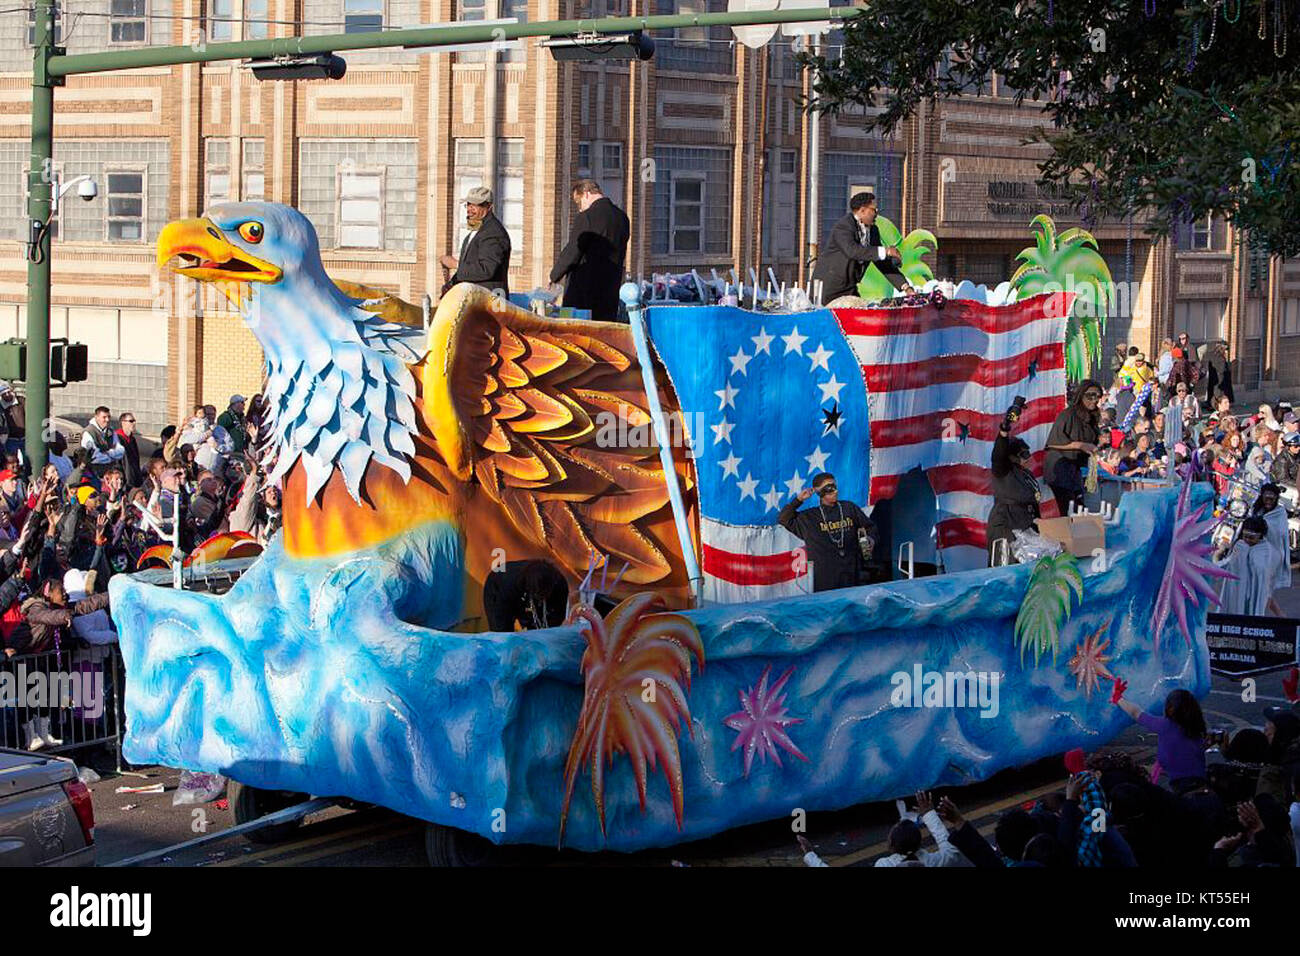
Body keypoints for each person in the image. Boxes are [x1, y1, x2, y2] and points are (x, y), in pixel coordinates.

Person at [777, 472, 880, 592]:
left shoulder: (849, 508)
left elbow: (870, 527)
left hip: (851, 577)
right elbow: (783, 518)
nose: (835, 491)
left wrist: (871, 539)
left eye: (835, 487)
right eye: (830, 488)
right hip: (825, 582)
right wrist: (799, 500)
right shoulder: (810, 517)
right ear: (819, 492)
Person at [549, 179, 630, 321]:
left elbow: (573, 251)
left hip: (584, 293)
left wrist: (554, 275)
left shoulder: (587, 217)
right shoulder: (622, 218)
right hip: (610, 290)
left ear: (586, 194)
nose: (580, 209)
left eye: (579, 203)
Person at [1112, 684, 1208, 795]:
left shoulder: (1164, 725)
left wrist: (1118, 699)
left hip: (1183, 787)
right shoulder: (1196, 728)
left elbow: (1136, 713)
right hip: (1202, 782)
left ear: (1170, 709)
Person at [810, 191, 904, 304]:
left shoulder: (873, 231)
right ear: (862, 210)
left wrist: (905, 286)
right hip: (829, 288)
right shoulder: (843, 226)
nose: (877, 213)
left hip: (850, 288)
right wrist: (887, 250)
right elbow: (853, 251)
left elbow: (881, 261)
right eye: (874, 209)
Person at [987, 404, 1040, 566]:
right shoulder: (1003, 470)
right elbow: (999, 454)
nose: (1028, 457)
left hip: (1025, 523)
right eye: (1024, 454)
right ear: (1013, 456)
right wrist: (1004, 431)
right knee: (1005, 566)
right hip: (1006, 524)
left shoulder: (1026, 474)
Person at [439, 186, 511, 300]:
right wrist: (451, 285)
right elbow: (469, 268)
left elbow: (486, 270)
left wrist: (455, 264)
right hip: (475, 301)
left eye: (476, 205)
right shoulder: (476, 231)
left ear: (489, 207)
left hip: (491, 303)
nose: (470, 209)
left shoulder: (493, 232)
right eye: (468, 204)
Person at [1043, 381, 1102, 514]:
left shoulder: (1092, 417)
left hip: (1074, 468)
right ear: (1081, 395)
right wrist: (1080, 445)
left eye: (1098, 396)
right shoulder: (1068, 414)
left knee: (1080, 506)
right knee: (1069, 507)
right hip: (1060, 467)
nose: (1095, 400)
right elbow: (1052, 442)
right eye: (1090, 396)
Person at [1217, 517, 1281, 616]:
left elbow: (1267, 573)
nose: (1247, 540)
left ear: (1260, 536)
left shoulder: (1266, 551)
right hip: (1237, 589)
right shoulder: (1240, 545)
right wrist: (1217, 558)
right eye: (1245, 536)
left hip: (1255, 589)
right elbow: (1230, 563)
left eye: (1251, 538)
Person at [1251, 483, 1291, 612]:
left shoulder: (1280, 513)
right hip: (1257, 554)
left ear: (1276, 498)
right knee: (1258, 588)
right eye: (1266, 498)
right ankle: (1281, 617)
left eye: (1271, 499)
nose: (1268, 501)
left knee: (1266, 589)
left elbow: (1280, 533)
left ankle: (1259, 618)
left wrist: (1263, 525)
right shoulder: (1257, 510)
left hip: (1273, 555)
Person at [78, 405, 125, 478]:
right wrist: (112, 455)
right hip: (94, 473)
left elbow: (121, 451)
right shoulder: (88, 433)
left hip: (110, 472)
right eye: (104, 417)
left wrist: (108, 453)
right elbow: (94, 457)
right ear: (96, 417)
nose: (107, 420)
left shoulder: (111, 431)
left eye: (109, 417)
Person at [115, 411, 143, 489]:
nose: (134, 423)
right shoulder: (117, 439)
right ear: (123, 423)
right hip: (124, 482)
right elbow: (117, 463)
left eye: (134, 421)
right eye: (131, 421)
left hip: (134, 481)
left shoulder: (132, 439)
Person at [1205, 341, 1234, 406]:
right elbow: (1222, 370)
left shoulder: (1211, 354)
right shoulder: (1220, 358)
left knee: (1212, 392)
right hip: (1220, 378)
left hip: (1213, 378)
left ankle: (1210, 405)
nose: (1226, 352)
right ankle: (1216, 406)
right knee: (1218, 394)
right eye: (1225, 350)